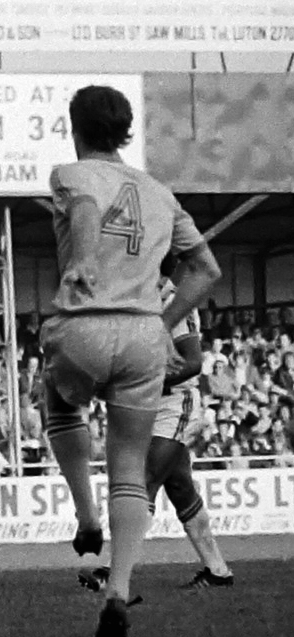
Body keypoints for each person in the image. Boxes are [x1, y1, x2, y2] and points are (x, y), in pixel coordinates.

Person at [41, 85, 220, 637]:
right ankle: (117, 590)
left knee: (59, 399)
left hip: (86, 327)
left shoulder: (72, 174)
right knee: (128, 469)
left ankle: (86, 516)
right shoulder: (160, 192)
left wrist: (84, 258)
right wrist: (164, 325)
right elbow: (206, 269)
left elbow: (87, 209)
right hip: (144, 337)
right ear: (125, 132)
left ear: (74, 127)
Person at [80, 255, 233, 595]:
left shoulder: (173, 305)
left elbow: (193, 362)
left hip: (175, 404)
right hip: (148, 406)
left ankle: (113, 572)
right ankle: (218, 571)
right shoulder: (140, 306)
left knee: (142, 481)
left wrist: (139, 381)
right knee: (180, 488)